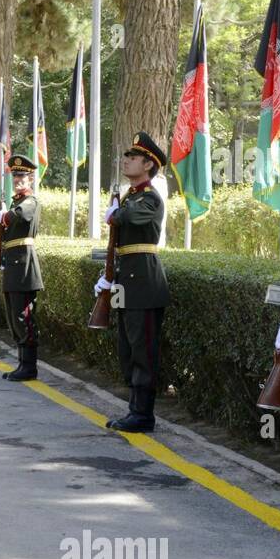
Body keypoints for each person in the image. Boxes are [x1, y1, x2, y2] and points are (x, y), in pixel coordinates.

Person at [97, 131, 169, 433]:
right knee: (127, 348)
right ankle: (134, 409)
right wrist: (107, 276)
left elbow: (128, 218)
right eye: (126, 156)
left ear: (149, 164)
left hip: (143, 284)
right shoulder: (130, 197)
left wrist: (116, 213)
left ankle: (143, 414)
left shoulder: (149, 198)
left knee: (143, 351)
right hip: (126, 282)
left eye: (133, 157)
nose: (126, 160)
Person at [0, 154, 43, 381]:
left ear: (31, 178)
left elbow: (21, 215)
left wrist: (5, 216)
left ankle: (29, 366)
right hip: (14, 265)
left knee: (24, 317)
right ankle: (22, 363)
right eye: (15, 176)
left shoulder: (30, 201)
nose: (17, 180)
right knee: (14, 316)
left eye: (22, 176)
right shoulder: (16, 202)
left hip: (24, 266)